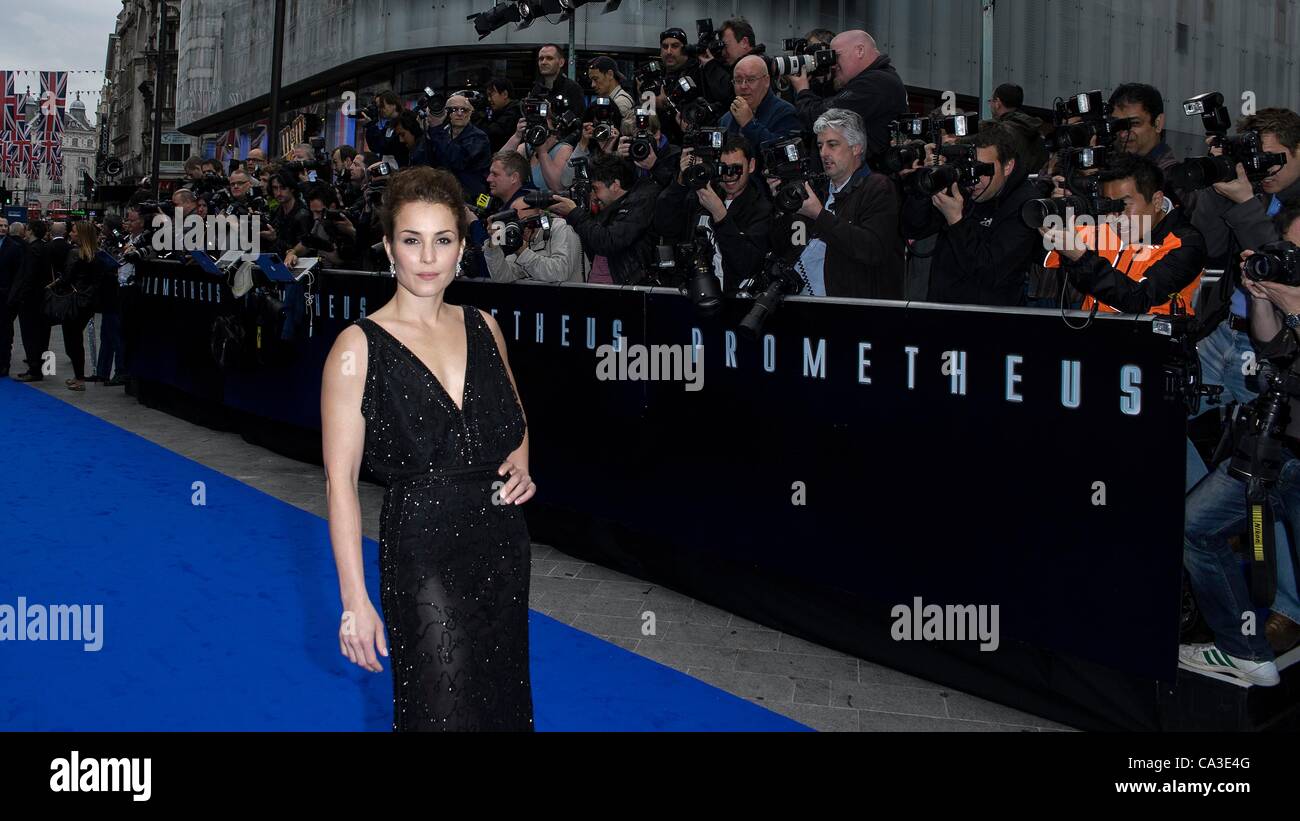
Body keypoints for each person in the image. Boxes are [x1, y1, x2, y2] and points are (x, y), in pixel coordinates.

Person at [321, 166, 536, 731]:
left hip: (502, 544)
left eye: (442, 240)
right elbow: (338, 482)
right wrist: (353, 600)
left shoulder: (485, 326)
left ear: (461, 247)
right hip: (422, 553)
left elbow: (513, 418)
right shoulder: (357, 348)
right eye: (412, 240)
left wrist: (522, 460)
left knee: (501, 710)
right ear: (389, 246)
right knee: (438, 712)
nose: (427, 257)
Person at [901, 121, 1044, 306]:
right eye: (972, 167)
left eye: (984, 169)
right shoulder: (965, 185)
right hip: (940, 309)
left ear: (1007, 166)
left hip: (990, 320)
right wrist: (926, 185)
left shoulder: (1027, 206)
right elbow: (912, 227)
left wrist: (956, 221)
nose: (976, 179)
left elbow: (989, 271)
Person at [1042, 153, 1205, 314]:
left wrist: (1081, 258)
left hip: (1150, 336)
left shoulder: (1186, 243)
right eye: (1108, 204)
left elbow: (1140, 299)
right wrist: (1059, 212)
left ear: (1157, 201)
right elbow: (1040, 254)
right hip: (1090, 332)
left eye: (1123, 205)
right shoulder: (1102, 225)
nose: (1115, 215)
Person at [770, 108, 903, 299]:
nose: (823, 153)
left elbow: (873, 249)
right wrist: (783, 207)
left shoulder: (878, 187)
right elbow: (785, 246)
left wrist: (819, 215)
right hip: (800, 304)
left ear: (856, 147)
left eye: (832, 145)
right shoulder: (817, 189)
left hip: (850, 312)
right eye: (820, 145)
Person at [653, 133, 773, 294]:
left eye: (736, 168)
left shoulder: (761, 208)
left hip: (733, 300)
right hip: (691, 293)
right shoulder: (702, 193)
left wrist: (720, 215)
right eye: (723, 168)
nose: (729, 175)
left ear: (751, 166)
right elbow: (664, 225)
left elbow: (747, 264)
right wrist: (682, 180)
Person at [789, 29, 907, 159]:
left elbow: (820, 119)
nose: (833, 65)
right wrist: (821, 81)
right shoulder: (878, 78)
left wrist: (802, 90)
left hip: (865, 175)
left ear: (860, 51)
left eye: (837, 56)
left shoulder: (875, 83)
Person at [547, 154, 659, 285]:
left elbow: (608, 241)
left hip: (623, 291)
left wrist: (575, 213)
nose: (593, 195)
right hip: (601, 288)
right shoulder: (610, 209)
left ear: (615, 185)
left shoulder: (639, 204)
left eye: (596, 189)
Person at [55, 221, 112, 392]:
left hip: (75, 301)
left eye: (73, 231)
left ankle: (79, 378)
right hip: (86, 303)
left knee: (73, 340)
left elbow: (67, 278)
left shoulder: (77, 254)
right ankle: (78, 376)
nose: (70, 234)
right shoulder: (96, 255)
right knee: (75, 339)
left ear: (81, 235)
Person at [717, 55, 802, 152]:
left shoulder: (785, 113)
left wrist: (749, 125)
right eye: (738, 80)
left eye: (750, 79)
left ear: (766, 81)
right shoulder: (726, 120)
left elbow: (782, 152)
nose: (743, 86)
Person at [423, 94, 492, 200]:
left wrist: (436, 129)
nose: (460, 113)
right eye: (454, 109)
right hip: (443, 195)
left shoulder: (479, 137)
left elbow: (458, 160)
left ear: (470, 113)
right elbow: (425, 161)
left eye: (464, 110)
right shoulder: (442, 133)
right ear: (446, 112)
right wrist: (427, 132)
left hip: (471, 198)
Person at [8, 220, 52, 382]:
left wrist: (20, 295)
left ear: (31, 231)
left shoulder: (32, 250)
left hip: (31, 299)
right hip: (40, 297)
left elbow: (28, 276)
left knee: (30, 334)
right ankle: (38, 365)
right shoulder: (44, 247)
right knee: (39, 334)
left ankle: (34, 368)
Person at [990, 83, 1048, 175]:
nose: (990, 105)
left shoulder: (1000, 131)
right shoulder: (1033, 127)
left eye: (991, 101)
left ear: (997, 103)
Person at [0, 216, 28, 378]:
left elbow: (19, 275)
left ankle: (4, 364)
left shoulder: (15, 247)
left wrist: (13, 295)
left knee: (5, 332)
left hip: (6, 296)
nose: (3, 228)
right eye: (0, 225)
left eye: (5, 226)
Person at [586, 56, 637, 136]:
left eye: (595, 79)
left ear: (610, 74)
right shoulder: (611, 101)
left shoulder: (621, 102)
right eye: (591, 80)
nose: (592, 85)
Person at [532, 43, 586, 119]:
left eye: (549, 58)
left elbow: (579, 121)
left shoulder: (573, 89)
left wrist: (554, 118)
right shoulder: (536, 89)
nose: (543, 62)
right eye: (541, 59)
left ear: (561, 62)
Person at [484, 78, 523, 152]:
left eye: (491, 95)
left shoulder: (515, 111)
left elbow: (494, 131)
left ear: (505, 94)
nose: (489, 99)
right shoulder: (498, 111)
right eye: (488, 96)